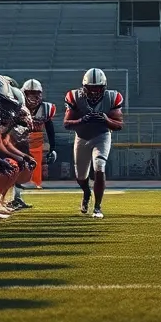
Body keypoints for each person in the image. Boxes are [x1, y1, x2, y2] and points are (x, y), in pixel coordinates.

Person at [63, 68, 124, 218]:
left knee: (99, 167)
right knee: (81, 176)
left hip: (102, 136)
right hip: (82, 137)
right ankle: (86, 193)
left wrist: (105, 119)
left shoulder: (112, 97)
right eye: (91, 88)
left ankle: (97, 207)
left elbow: (119, 125)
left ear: (104, 87)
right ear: (84, 86)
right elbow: (66, 123)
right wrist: (81, 120)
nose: (95, 91)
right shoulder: (74, 96)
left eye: (98, 88)